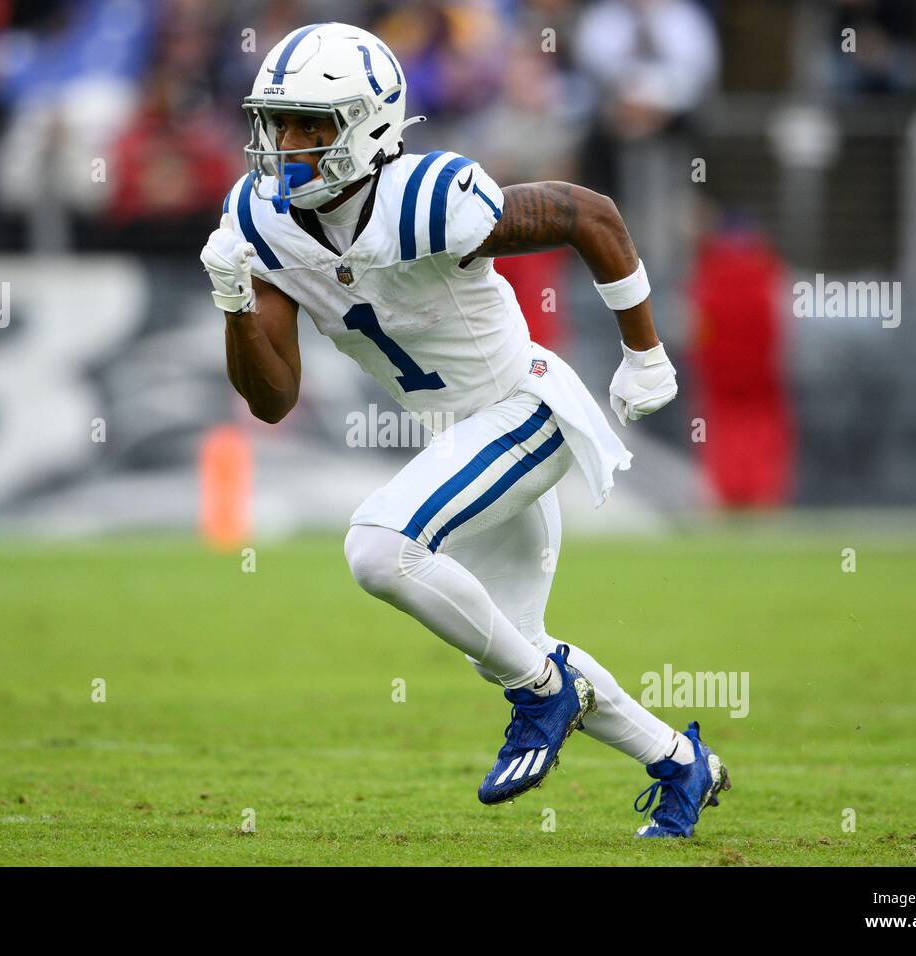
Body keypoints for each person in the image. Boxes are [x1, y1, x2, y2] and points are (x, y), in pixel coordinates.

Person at [200, 23, 729, 837]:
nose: (288, 146)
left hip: (526, 412)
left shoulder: (427, 196)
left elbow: (589, 214)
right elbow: (271, 401)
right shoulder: (262, 221)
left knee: (378, 547)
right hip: (466, 440)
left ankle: (544, 694)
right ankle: (681, 763)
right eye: (278, 123)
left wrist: (645, 354)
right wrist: (235, 304)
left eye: (311, 125)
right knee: (513, 641)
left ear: (367, 125)